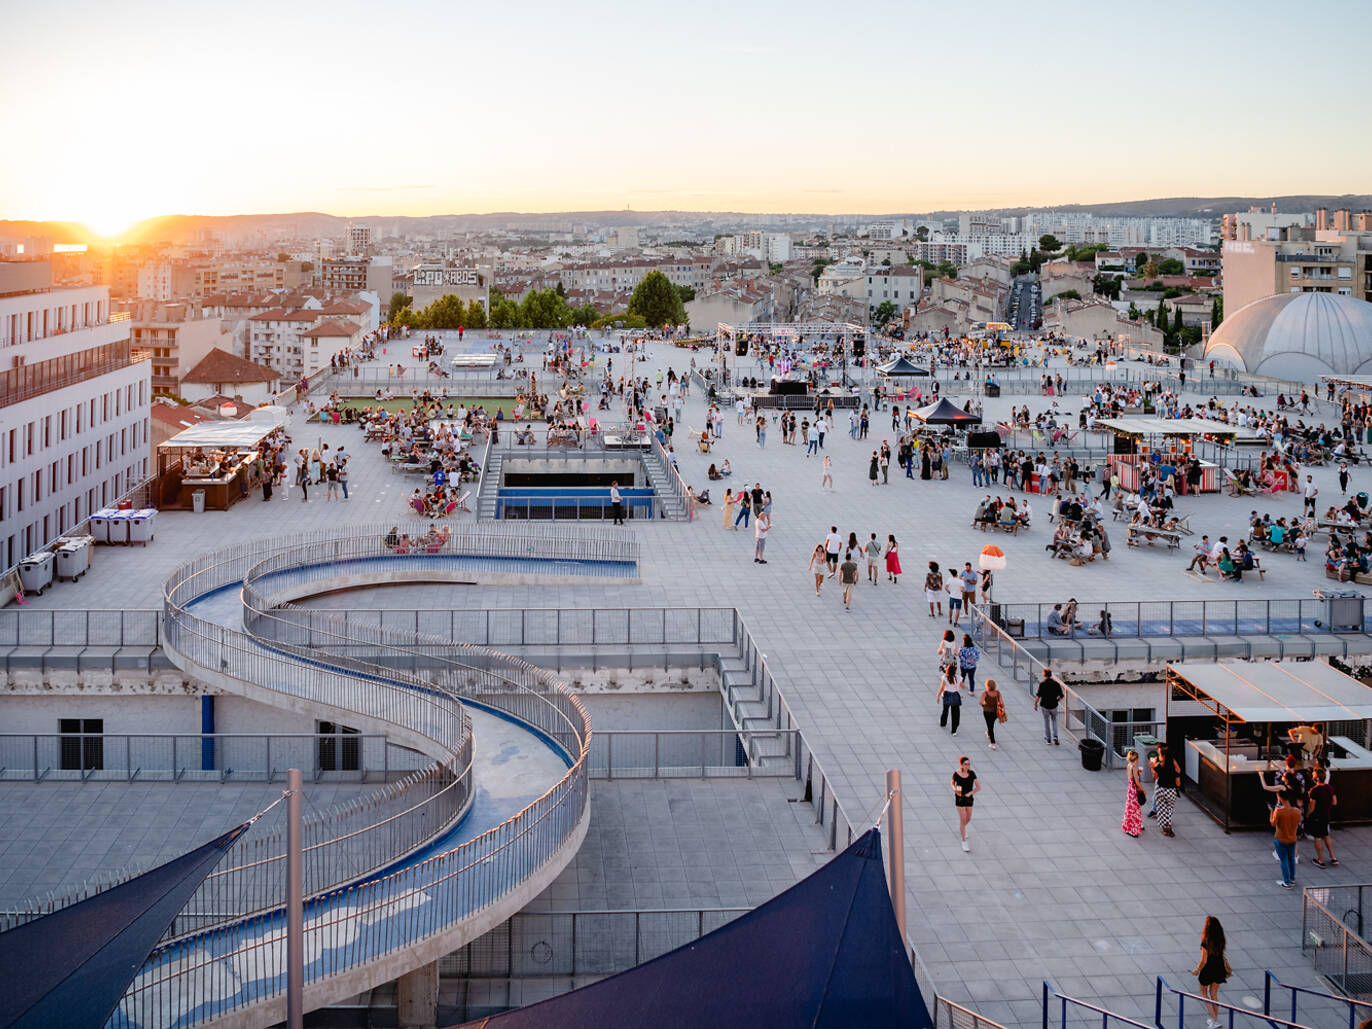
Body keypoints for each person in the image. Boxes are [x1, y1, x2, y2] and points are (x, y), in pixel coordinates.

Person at [1192, 916, 1230, 1029]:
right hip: (1219, 968)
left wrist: (1197, 970)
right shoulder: (1221, 939)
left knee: (1203, 993)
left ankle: (1214, 1021)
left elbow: (1204, 960)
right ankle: (1214, 1020)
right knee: (1214, 993)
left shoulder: (1206, 941)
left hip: (1208, 969)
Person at [1306, 766, 1339, 868]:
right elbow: (1334, 802)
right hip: (1326, 814)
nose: (1312, 775)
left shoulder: (1314, 790)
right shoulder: (1330, 788)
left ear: (1317, 778)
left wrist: (1307, 814)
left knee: (1318, 837)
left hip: (1317, 816)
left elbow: (1312, 806)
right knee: (1326, 835)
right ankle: (1333, 857)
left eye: (1313, 775)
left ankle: (1320, 860)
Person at [1272, 790, 1301, 888]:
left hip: (1280, 839)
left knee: (1283, 860)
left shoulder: (1279, 811)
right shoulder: (1297, 811)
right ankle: (1292, 879)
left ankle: (1286, 881)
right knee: (1291, 859)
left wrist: (1272, 811)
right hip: (1292, 838)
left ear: (1280, 798)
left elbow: (1273, 823)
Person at [951, 756, 980, 852]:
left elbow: (978, 787)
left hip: (969, 798)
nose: (967, 766)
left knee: (968, 818)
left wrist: (970, 793)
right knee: (963, 819)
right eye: (965, 764)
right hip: (960, 798)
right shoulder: (957, 773)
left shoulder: (972, 774)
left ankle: (961, 828)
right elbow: (952, 782)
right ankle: (964, 841)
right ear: (961, 765)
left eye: (968, 764)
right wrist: (954, 789)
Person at [1154, 742, 1182, 838]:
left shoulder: (1159, 765)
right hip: (1171, 790)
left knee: (1162, 809)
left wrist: (1153, 767)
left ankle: (1164, 828)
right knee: (1169, 809)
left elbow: (1155, 777)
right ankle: (1168, 825)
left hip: (1161, 789)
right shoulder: (1173, 763)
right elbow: (1178, 771)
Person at [1034, 667, 1063, 745]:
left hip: (1044, 705)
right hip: (1054, 705)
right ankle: (1055, 736)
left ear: (1044, 675)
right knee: (1054, 720)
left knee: (1046, 721)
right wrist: (1057, 700)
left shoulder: (1042, 684)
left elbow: (1038, 696)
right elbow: (1061, 696)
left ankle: (1048, 739)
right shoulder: (1057, 684)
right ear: (1051, 674)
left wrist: (1035, 704)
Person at [1123, 749, 1145, 838]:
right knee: (1135, 808)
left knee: (1130, 807)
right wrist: (1143, 790)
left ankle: (1128, 825)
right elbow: (1137, 782)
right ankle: (1133, 829)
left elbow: (1131, 778)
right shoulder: (1135, 768)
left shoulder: (1129, 765)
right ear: (1137, 759)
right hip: (1134, 790)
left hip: (1130, 789)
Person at [937, 661, 962, 735]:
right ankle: (954, 730)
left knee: (945, 710)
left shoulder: (945, 678)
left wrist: (938, 696)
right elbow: (962, 686)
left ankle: (943, 723)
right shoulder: (958, 677)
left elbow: (941, 688)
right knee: (955, 713)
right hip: (955, 695)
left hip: (947, 694)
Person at [980, 677, 1004, 749]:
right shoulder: (998, 693)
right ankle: (988, 733)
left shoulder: (985, 693)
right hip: (995, 711)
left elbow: (981, 702)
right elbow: (1001, 703)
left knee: (990, 726)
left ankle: (993, 743)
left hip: (987, 711)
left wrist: (985, 705)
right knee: (991, 724)